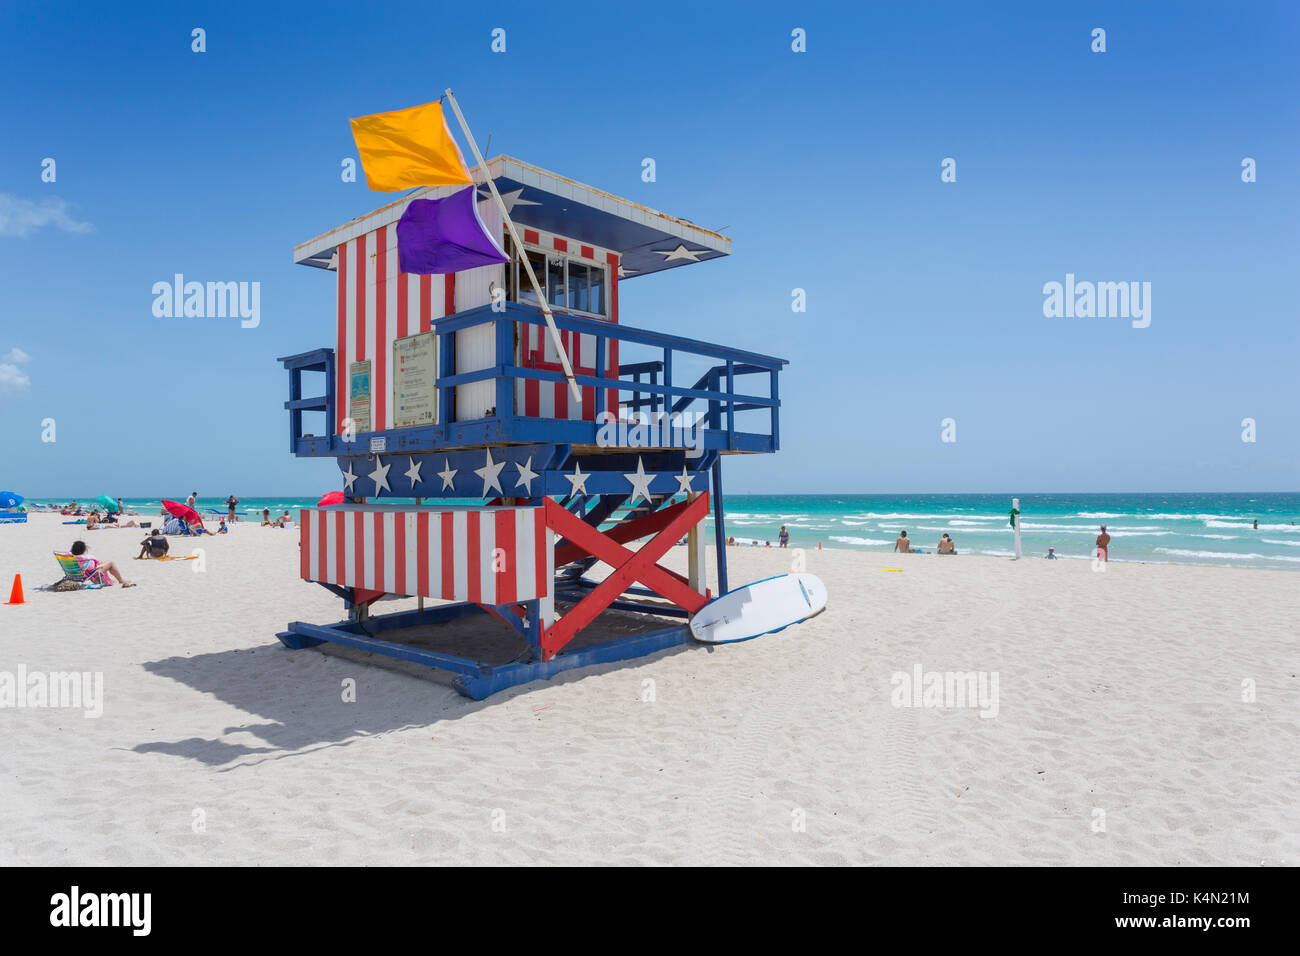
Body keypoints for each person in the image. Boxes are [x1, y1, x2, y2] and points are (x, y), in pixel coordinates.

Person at [70, 540, 134, 586]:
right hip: (91, 574)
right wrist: (98, 563)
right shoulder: (85, 557)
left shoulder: (71, 557)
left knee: (102, 564)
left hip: (80, 574)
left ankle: (109, 580)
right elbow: (91, 566)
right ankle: (121, 581)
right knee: (111, 563)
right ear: (83, 550)